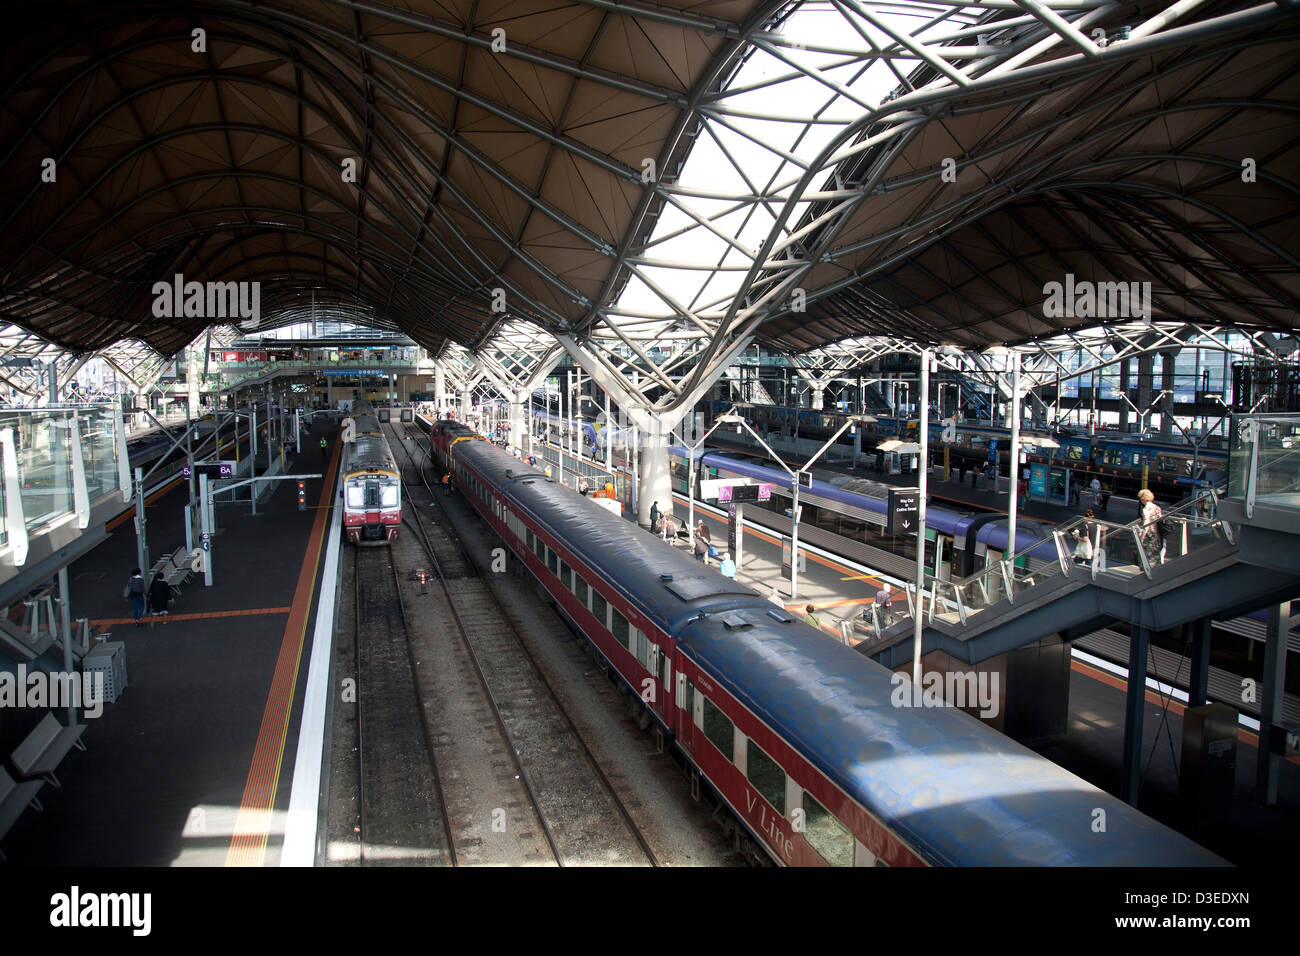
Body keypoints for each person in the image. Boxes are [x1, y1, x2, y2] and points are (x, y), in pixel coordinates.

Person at [1136, 488, 1164, 565]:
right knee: (1155, 554)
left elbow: (1147, 524)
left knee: (1148, 555)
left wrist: (1142, 537)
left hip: (1149, 535)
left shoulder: (1146, 509)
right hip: (1157, 534)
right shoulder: (1157, 507)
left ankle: (1148, 572)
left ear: (1143, 498)